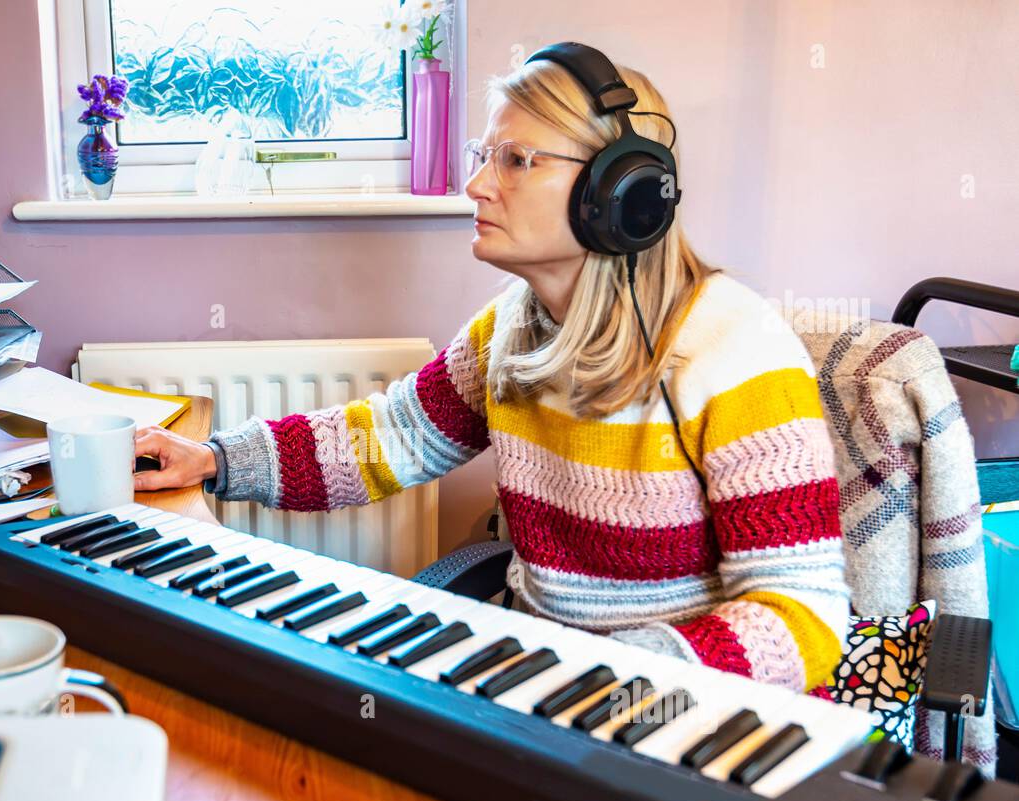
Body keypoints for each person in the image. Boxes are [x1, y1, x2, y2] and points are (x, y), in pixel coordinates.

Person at [131, 49, 848, 693]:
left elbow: (803, 616)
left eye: (515, 160)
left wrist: (619, 682)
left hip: (686, 720)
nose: (476, 184)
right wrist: (216, 459)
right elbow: (392, 436)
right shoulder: (512, 325)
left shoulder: (736, 351)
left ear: (620, 194)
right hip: (540, 688)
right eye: (484, 154)